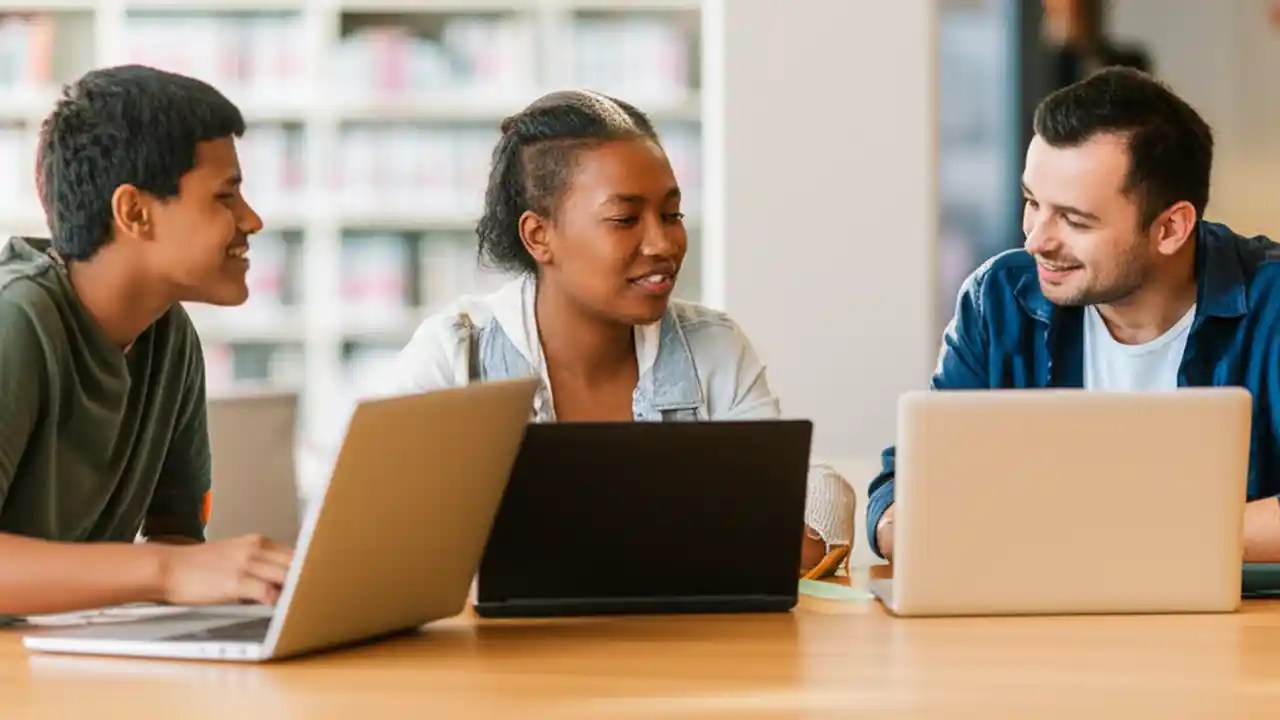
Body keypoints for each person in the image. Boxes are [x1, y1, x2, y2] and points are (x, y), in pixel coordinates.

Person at [392, 90, 855, 574]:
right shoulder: (455, 354)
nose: (662, 243)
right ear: (538, 236)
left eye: (671, 215)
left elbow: (814, 514)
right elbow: (380, 535)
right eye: (625, 219)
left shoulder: (710, 345)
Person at [868, 67, 1280, 563]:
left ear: (1170, 228)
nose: (1036, 240)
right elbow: (904, 491)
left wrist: (1118, 537)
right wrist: (900, 527)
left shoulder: (1271, 303)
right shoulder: (999, 299)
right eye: (1032, 203)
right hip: (1036, 606)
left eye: (1073, 219)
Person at [0, 65, 293, 619]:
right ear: (134, 212)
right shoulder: (16, 320)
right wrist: (169, 572)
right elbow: (173, 567)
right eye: (225, 196)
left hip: (60, 653)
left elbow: (176, 540)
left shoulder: (169, 336)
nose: (251, 220)